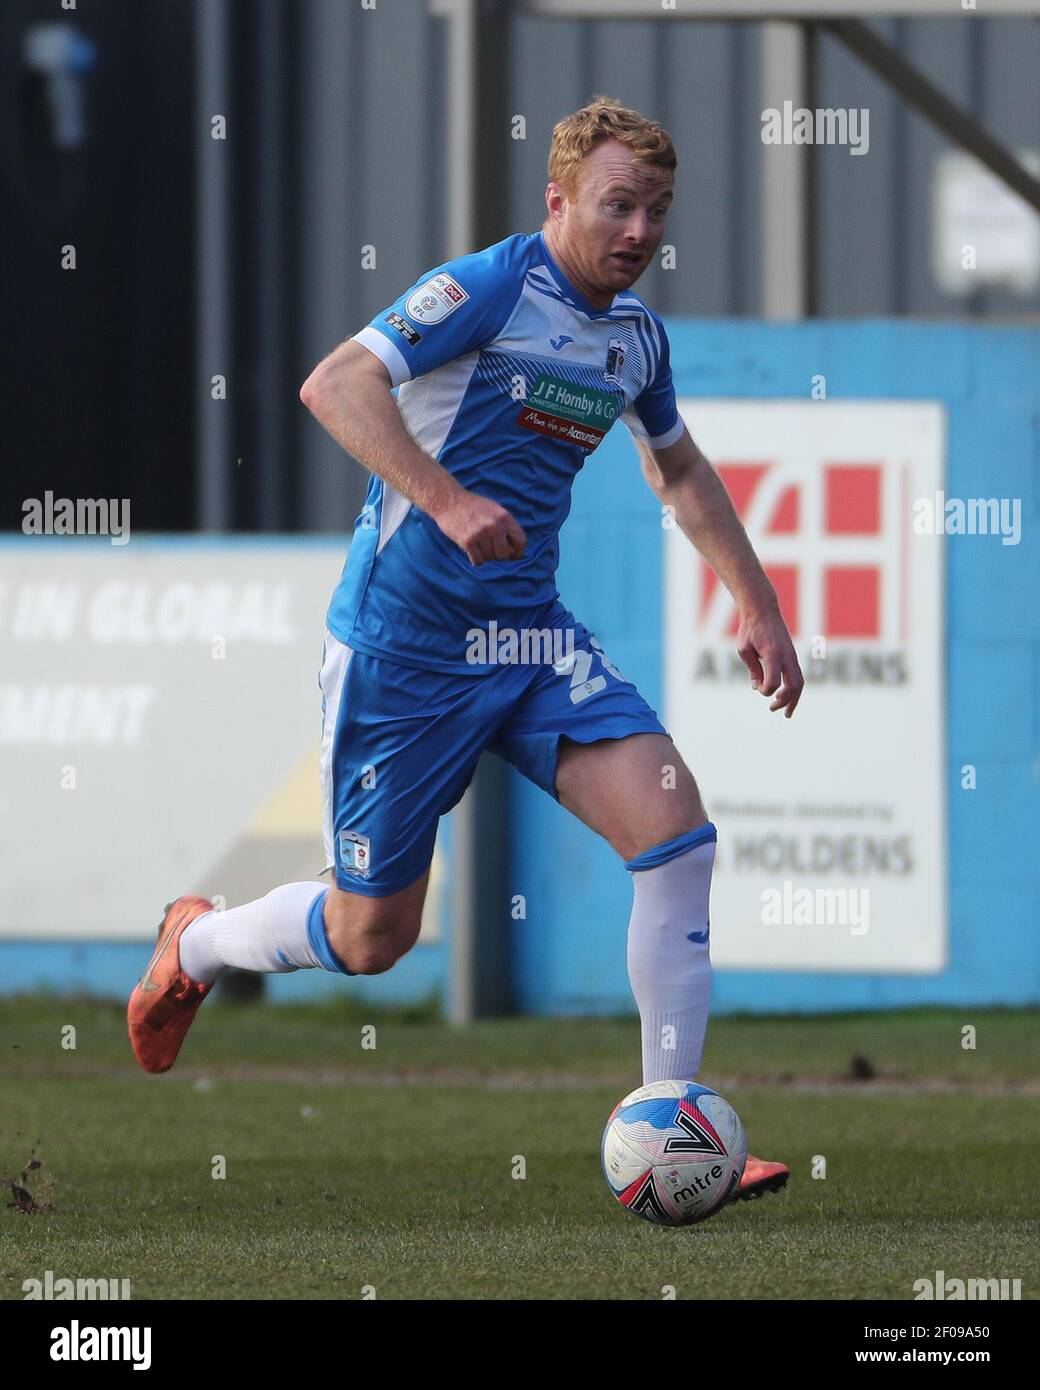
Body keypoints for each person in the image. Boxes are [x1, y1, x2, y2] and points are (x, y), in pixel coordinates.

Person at [128, 96, 803, 1205]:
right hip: (404, 649)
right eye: (616, 205)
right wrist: (441, 500)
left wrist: (758, 604)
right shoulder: (489, 287)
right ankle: (194, 946)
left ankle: (673, 1123)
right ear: (557, 202)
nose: (639, 231)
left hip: (531, 640)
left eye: (656, 211)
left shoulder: (634, 338)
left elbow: (675, 471)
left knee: (674, 831)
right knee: (372, 934)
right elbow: (333, 382)